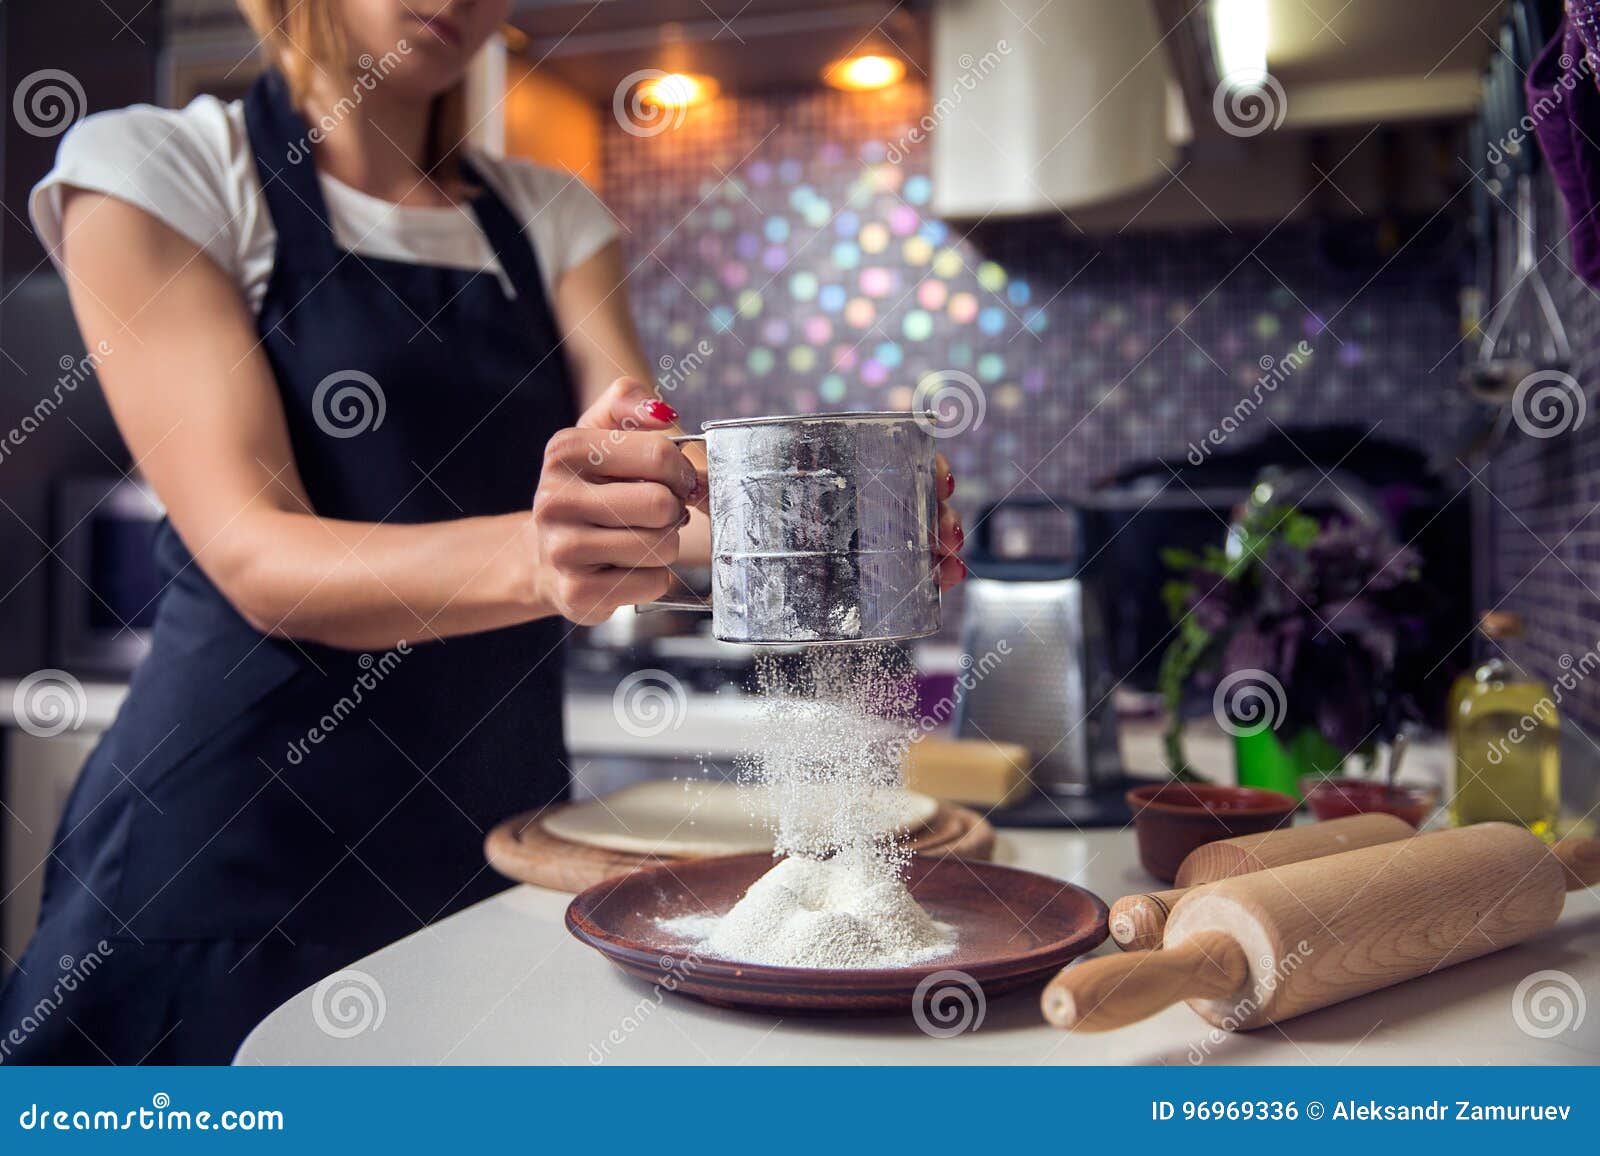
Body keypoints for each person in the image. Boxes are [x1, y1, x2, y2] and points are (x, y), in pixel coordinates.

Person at [0, 0, 965, 1063]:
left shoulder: (548, 213)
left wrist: (845, 522)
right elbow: (257, 555)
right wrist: (538, 557)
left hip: (486, 842)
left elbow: (650, 483)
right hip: (234, 858)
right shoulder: (158, 166)